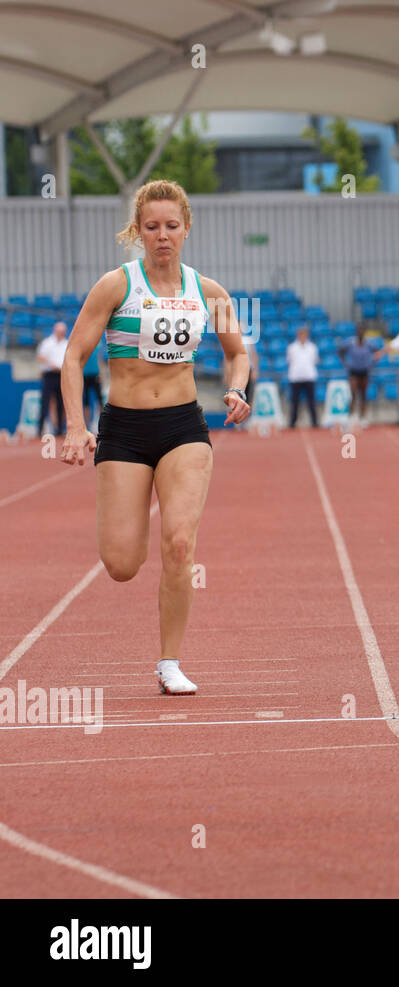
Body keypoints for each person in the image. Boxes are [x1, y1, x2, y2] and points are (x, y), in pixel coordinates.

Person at [58, 179, 250, 695]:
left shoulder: (209, 292)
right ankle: (130, 564)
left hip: (184, 426)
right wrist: (77, 427)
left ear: (186, 228)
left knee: (180, 543)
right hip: (124, 428)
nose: (162, 235)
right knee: (122, 564)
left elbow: (238, 352)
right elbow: (73, 357)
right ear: (137, 232)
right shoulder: (115, 286)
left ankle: (170, 661)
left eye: (171, 226)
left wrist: (235, 390)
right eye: (151, 227)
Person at [37, 321, 69, 436]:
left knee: (61, 402)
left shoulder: (67, 343)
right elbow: (40, 357)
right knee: (45, 402)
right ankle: (39, 430)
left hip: (62, 375)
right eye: (60, 331)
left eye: (63, 331)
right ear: (55, 331)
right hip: (49, 375)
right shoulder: (47, 343)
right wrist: (52, 364)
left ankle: (59, 429)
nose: (62, 333)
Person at [286, 325, 319, 428]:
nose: (302, 336)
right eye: (301, 334)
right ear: (298, 335)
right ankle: (292, 423)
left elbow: (315, 360)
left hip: (309, 377)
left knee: (311, 402)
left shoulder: (312, 347)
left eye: (304, 334)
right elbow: (290, 360)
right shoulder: (292, 347)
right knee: (295, 402)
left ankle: (314, 422)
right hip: (295, 377)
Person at [340, 327, 374, 425]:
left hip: (364, 371)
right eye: (359, 331)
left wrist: (371, 363)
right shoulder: (351, 343)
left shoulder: (368, 344)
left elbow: (376, 352)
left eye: (362, 331)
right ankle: (351, 416)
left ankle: (362, 417)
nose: (360, 333)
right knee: (353, 394)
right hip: (354, 371)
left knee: (363, 395)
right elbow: (340, 351)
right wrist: (345, 363)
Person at [81, 333, 104, 433]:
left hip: (95, 375)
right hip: (85, 375)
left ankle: (102, 424)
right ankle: (87, 426)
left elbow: (100, 359)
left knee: (99, 401)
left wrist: (102, 374)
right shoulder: (82, 343)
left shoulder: (97, 342)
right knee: (86, 402)